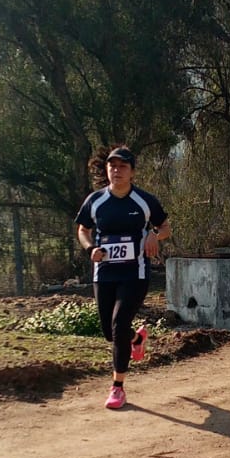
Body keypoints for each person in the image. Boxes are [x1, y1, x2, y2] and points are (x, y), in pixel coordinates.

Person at [75, 146, 171, 410]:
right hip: (104, 272)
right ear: (107, 170)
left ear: (132, 171)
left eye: (122, 166)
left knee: (119, 324)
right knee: (110, 331)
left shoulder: (144, 200)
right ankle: (136, 340)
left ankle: (117, 387)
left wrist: (154, 235)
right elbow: (83, 230)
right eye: (112, 166)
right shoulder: (95, 201)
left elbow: (165, 226)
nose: (116, 170)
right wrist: (90, 248)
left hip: (135, 272)